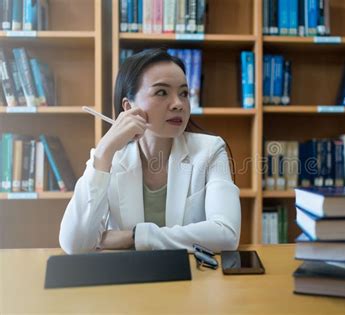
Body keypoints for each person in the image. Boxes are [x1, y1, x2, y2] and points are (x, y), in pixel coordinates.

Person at [59, 48, 241, 254]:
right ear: (128, 107)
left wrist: (136, 237)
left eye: (183, 93)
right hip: (128, 279)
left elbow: (226, 234)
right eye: (161, 92)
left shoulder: (210, 150)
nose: (178, 104)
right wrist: (103, 153)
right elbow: (74, 244)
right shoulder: (109, 158)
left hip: (191, 278)